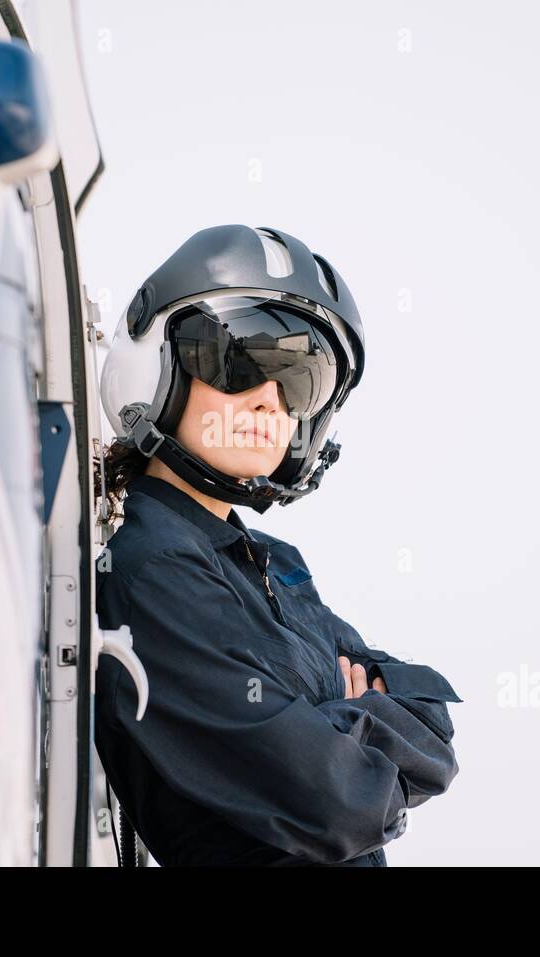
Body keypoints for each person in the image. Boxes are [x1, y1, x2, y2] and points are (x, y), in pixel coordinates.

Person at [93, 224, 461, 867]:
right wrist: (359, 720)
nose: (269, 402)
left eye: (298, 381)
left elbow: (434, 719)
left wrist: (339, 725)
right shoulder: (152, 568)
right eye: (239, 361)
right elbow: (337, 799)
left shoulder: (276, 562)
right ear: (163, 366)